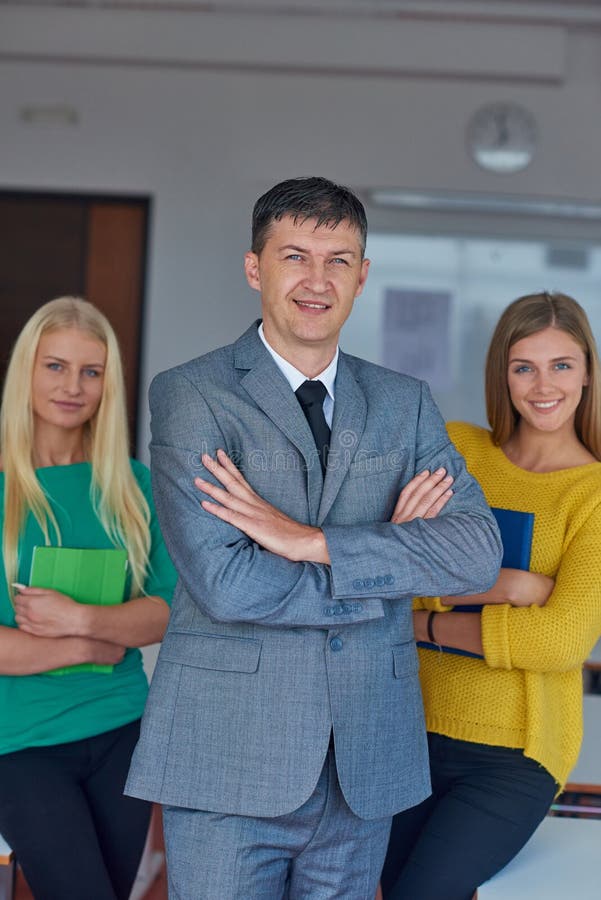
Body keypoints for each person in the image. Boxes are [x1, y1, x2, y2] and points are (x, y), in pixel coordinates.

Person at [125, 176, 501, 900]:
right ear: (254, 267)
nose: (315, 279)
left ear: (361, 277)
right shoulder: (192, 394)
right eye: (295, 255)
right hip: (229, 758)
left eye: (337, 260)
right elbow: (225, 585)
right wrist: (384, 562)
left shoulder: (403, 402)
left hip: (362, 763)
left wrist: (311, 542)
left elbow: (474, 554)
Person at [381, 291, 601, 900]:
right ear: (501, 375)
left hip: (515, 756)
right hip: (409, 728)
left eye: (562, 365)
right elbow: (395, 570)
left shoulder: (594, 495)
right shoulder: (457, 450)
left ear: (587, 373)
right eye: (523, 366)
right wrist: (516, 587)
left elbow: (559, 641)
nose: (543, 385)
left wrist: (426, 624)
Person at [0, 297, 177, 900]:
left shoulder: (134, 488)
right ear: (26, 371)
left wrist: (78, 618)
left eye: (90, 371)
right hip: (20, 744)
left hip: (122, 731)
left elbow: (165, 611)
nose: (72, 386)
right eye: (54, 366)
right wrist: (95, 643)